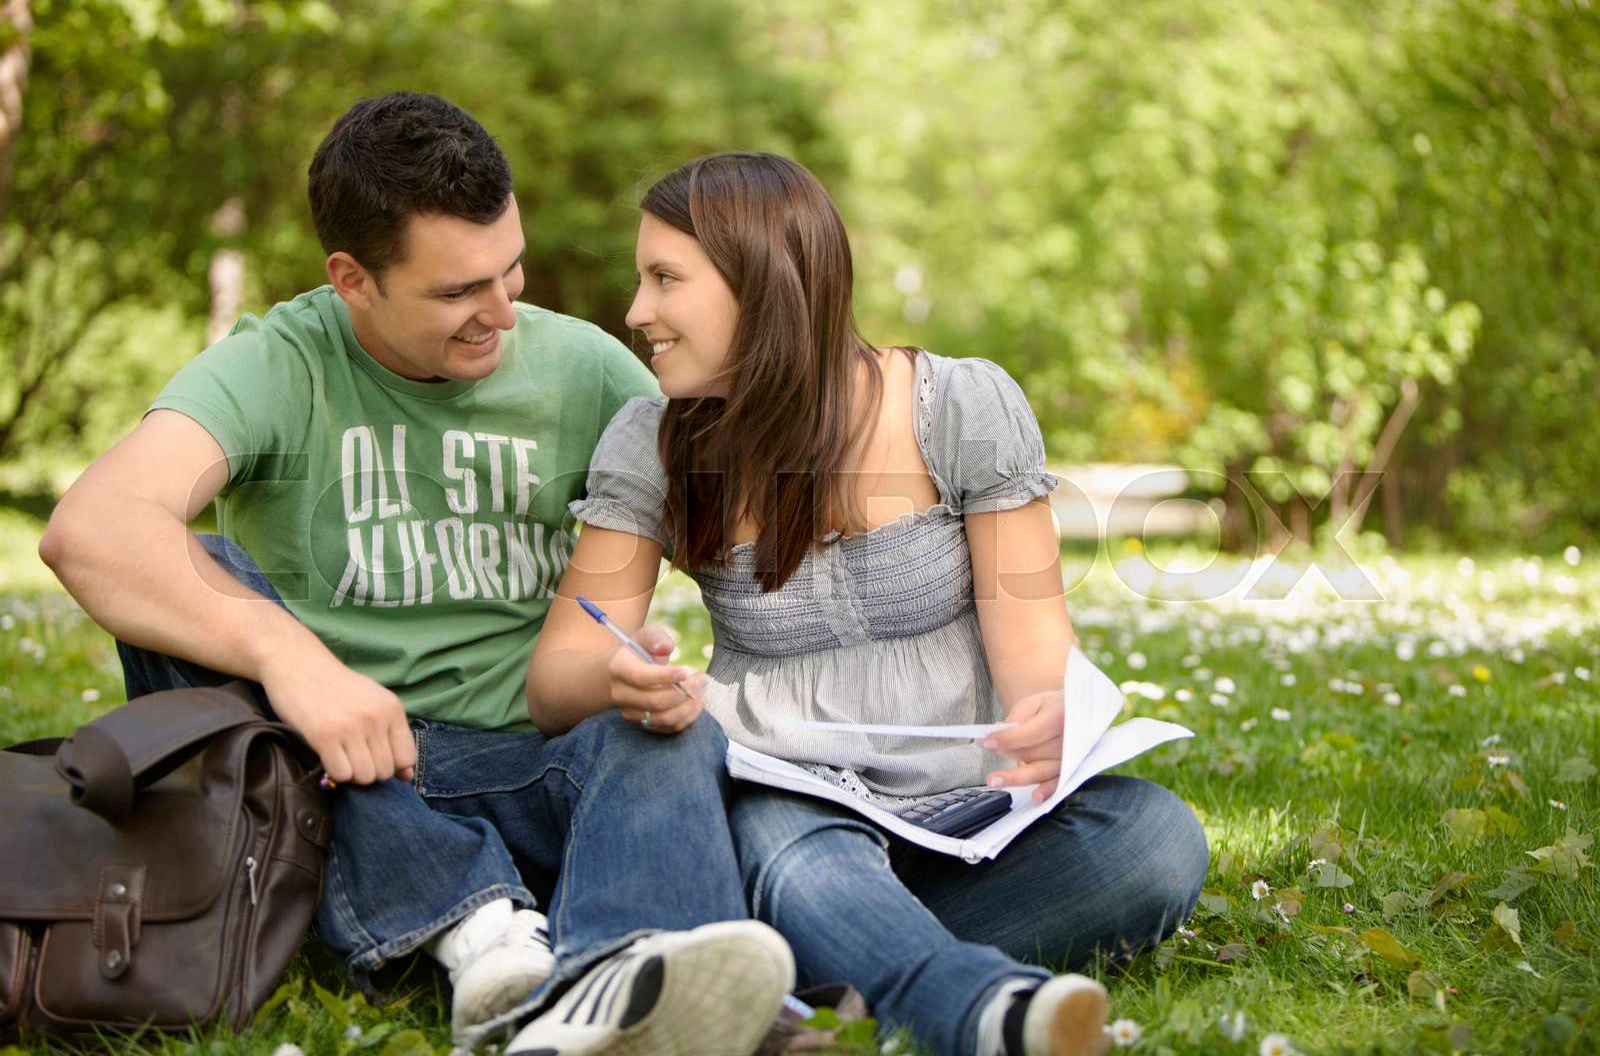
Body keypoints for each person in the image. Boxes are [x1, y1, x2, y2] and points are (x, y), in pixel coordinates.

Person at [38, 95, 795, 1056]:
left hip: (528, 764)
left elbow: (748, 545)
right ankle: (482, 933)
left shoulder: (587, 372)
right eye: (455, 294)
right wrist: (293, 661)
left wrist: (621, 661)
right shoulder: (278, 364)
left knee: (664, 734)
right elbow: (93, 529)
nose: (500, 312)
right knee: (197, 581)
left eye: (508, 268)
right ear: (352, 279)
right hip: (330, 787)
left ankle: (615, 987)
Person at [524, 152, 1210, 1056]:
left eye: (664, 279)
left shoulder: (958, 407)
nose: (635, 311)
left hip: (972, 815)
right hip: (798, 806)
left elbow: (1037, 645)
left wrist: (1052, 714)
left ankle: (824, 972)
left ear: (760, 285)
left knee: (1152, 838)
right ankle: (967, 1005)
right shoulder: (653, 443)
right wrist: (618, 678)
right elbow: (555, 680)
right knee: (791, 846)